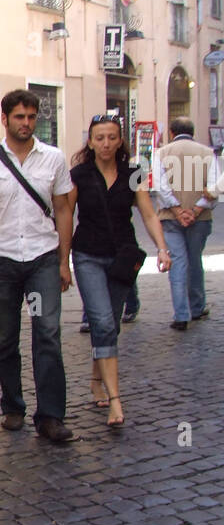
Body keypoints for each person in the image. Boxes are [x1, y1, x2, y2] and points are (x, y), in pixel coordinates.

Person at [0, 89, 75, 443]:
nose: (26, 123)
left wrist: (63, 261)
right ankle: (13, 405)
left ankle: (51, 417)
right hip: (3, 262)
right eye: (19, 117)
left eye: (31, 117)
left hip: (42, 258)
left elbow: (62, 210)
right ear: (5, 118)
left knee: (47, 335)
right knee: (3, 340)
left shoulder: (53, 158)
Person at [66, 117, 171, 429]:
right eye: (100, 138)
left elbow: (149, 214)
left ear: (120, 140)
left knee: (110, 324)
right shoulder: (79, 175)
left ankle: (96, 379)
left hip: (123, 257)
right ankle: (115, 399)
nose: (106, 144)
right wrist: (61, 261)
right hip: (87, 254)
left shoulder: (132, 173)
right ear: (91, 142)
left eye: (112, 137)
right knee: (101, 321)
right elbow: (65, 216)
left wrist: (162, 247)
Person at [153, 119, 219, 329]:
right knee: (195, 260)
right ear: (192, 132)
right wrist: (195, 209)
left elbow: (160, 187)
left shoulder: (161, 153)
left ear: (172, 133)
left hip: (171, 218)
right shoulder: (207, 153)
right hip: (200, 218)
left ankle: (181, 315)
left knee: (178, 262)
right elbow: (215, 186)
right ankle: (197, 307)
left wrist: (177, 210)